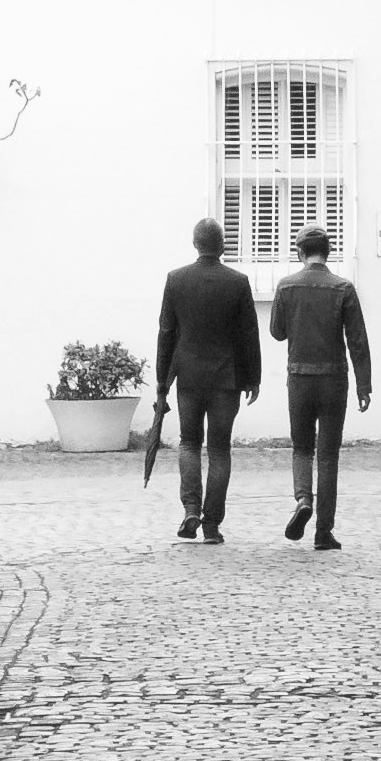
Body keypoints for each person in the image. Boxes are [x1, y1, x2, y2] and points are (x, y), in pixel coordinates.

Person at [155, 217, 262, 542]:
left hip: (187, 377)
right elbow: (249, 334)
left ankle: (190, 509)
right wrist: (253, 377)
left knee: (189, 443)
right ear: (223, 244)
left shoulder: (176, 280)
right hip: (226, 379)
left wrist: (163, 382)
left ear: (195, 243)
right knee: (219, 449)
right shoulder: (238, 281)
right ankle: (212, 524)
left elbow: (166, 332)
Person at [269, 225, 372, 548]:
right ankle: (324, 532)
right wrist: (364, 385)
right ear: (328, 252)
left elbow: (277, 332)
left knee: (302, 447)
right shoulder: (343, 288)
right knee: (328, 456)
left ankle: (303, 500)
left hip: (299, 378)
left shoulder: (287, 287)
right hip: (334, 380)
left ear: (300, 252)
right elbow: (357, 341)